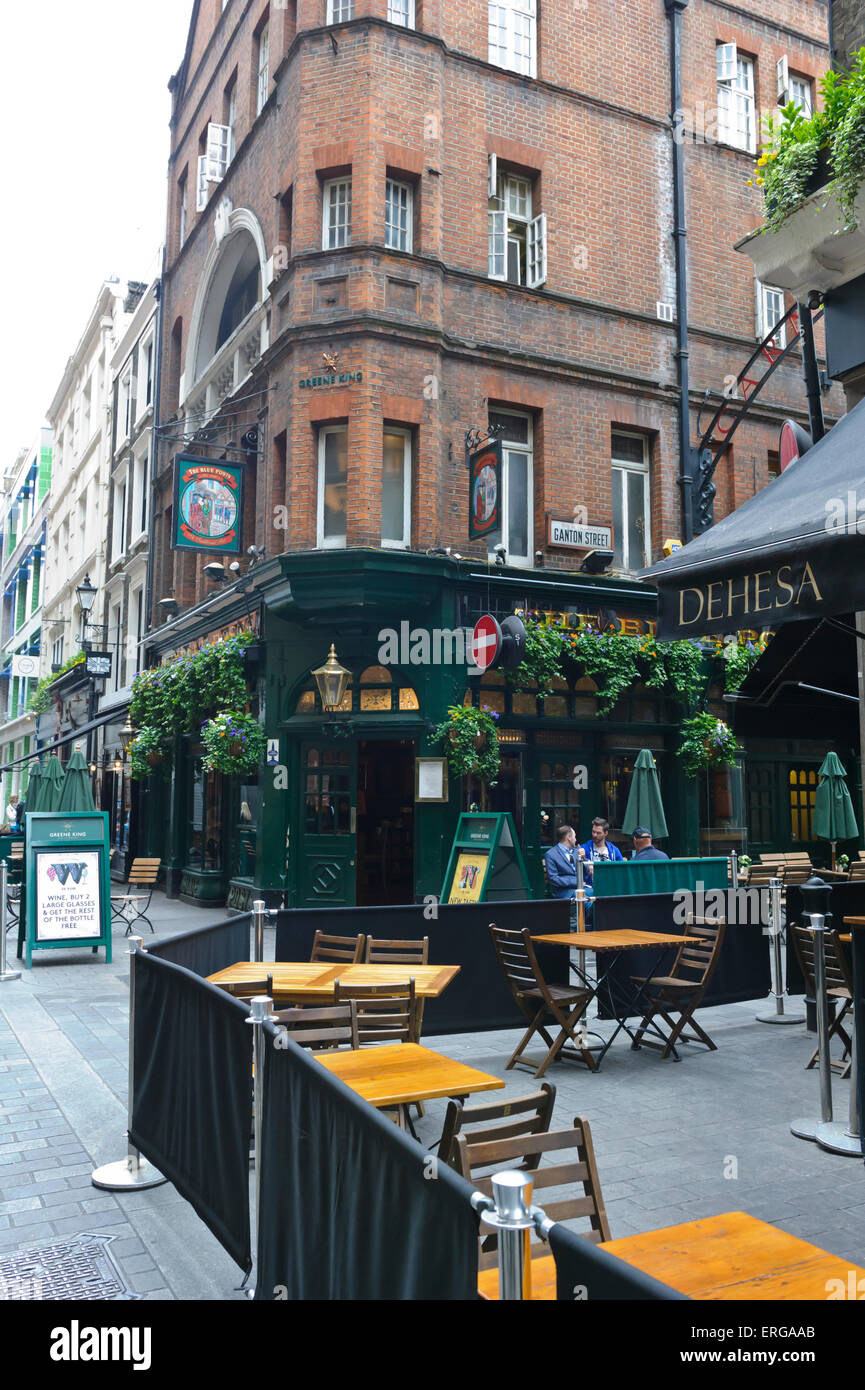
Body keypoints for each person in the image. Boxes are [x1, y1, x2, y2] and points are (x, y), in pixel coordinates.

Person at [545, 825, 579, 900]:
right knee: (588, 901)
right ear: (569, 838)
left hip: (581, 889)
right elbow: (554, 879)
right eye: (575, 837)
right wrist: (576, 882)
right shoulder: (551, 854)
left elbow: (585, 872)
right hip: (564, 892)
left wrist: (583, 858)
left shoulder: (577, 851)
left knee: (598, 895)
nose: (576, 840)